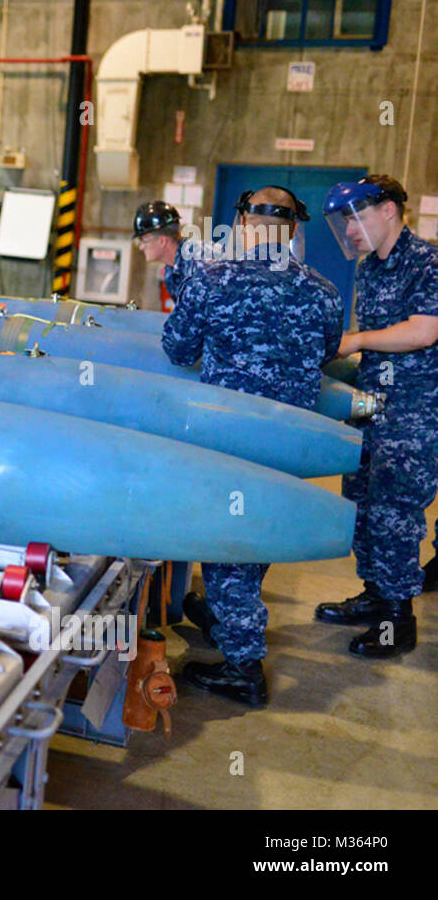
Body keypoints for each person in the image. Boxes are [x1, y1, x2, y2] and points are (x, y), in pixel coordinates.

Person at [162, 186, 342, 705]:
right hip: (291, 442)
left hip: (231, 438)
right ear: (291, 231)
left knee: (228, 542)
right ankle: (225, 618)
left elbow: (178, 350)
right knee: (259, 534)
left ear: (243, 225)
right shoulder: (324, 291)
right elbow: (327, 352)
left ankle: (244, 666)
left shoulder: (212, 282)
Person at [315, 175, 438, 657]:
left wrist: (359, 340)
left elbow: (424, 331)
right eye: (343, 221)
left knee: (396, 512)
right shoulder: (369, 268)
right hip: (372, 405)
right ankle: (373, 595)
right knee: (362, 502)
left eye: (356, 217)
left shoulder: (426, 263)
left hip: (413, 411)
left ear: (388, 210)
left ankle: (396, 619)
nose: (348, 230)